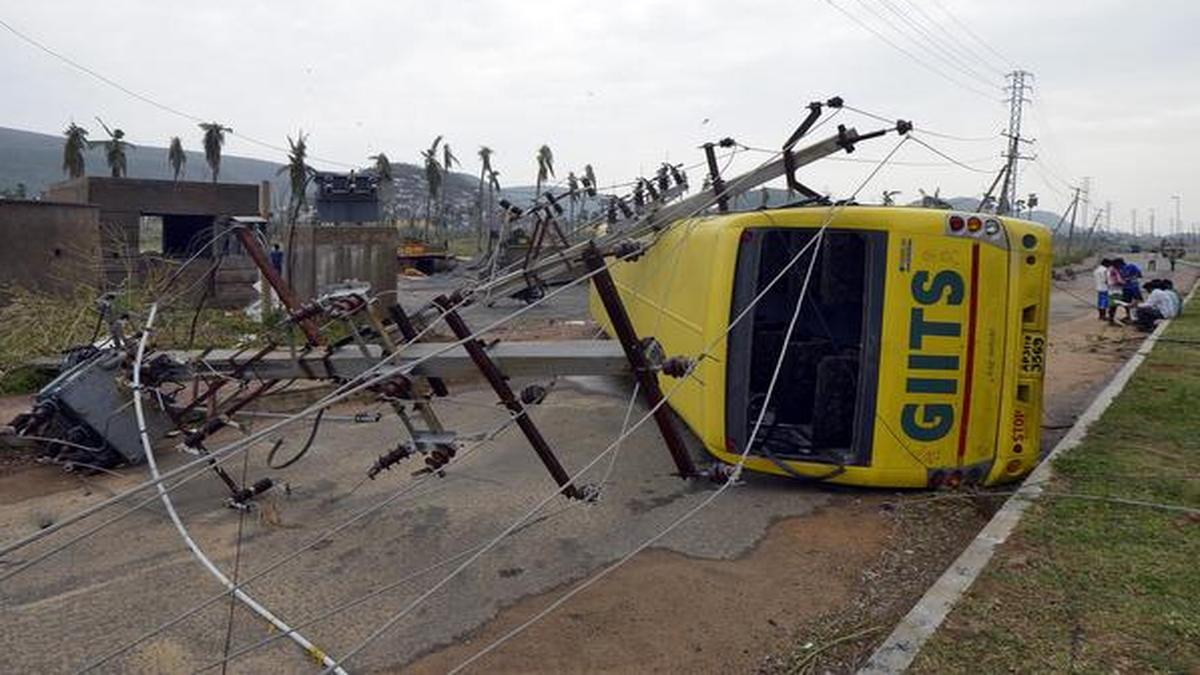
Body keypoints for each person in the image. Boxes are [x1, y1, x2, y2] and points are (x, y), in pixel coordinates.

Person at [1105, 258, 1125, 323]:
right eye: (1120, 265)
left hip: (1111, 290)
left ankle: (1111, 319)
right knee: (1114, 306)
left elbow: (1106, 281)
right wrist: (1124, 282)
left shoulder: (1108, 270)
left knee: (1112, 305)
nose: (1121, 266)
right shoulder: (1114, 270)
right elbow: (1118, 281)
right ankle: (1111, 320)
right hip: (1115, 290)